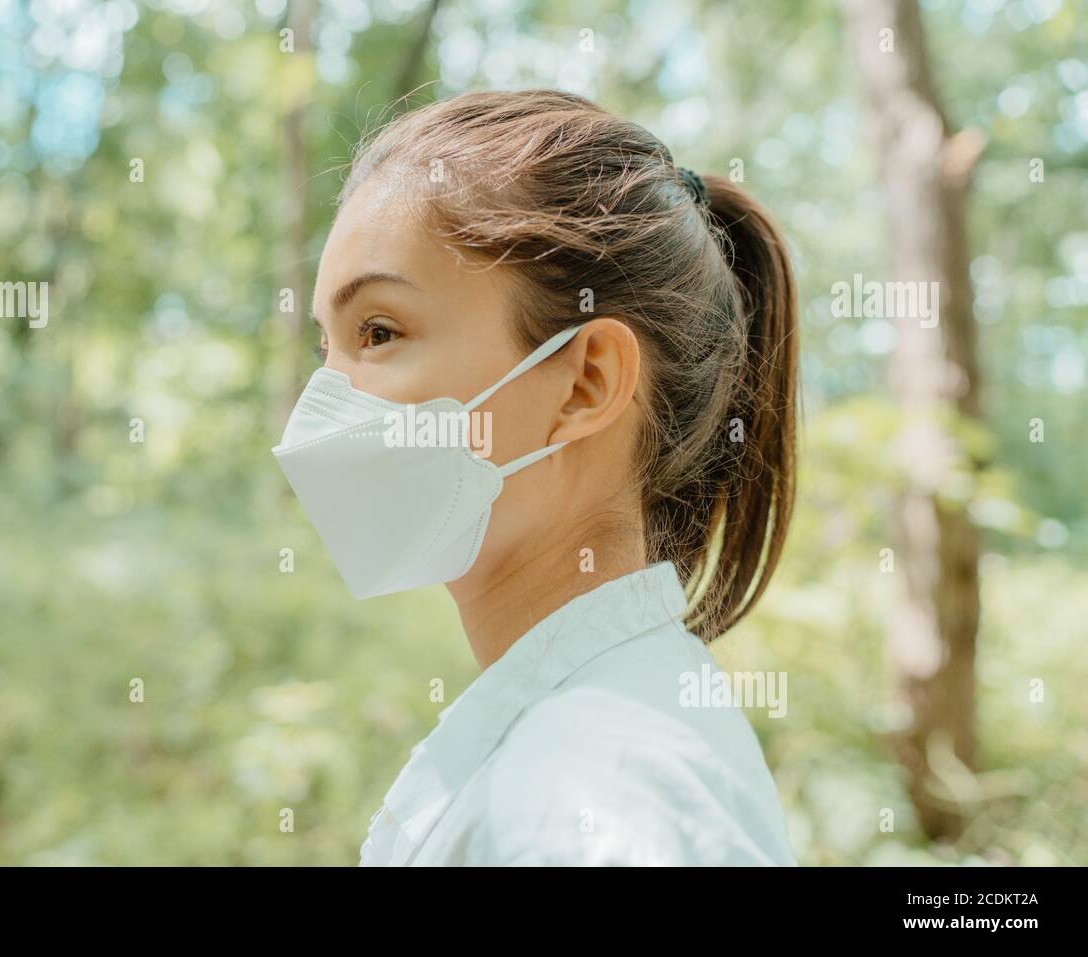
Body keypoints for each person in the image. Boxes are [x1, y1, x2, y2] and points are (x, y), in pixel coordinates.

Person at [273, 89, 799, 866]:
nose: (320, 405)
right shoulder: (579, 729)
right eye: (329, 347)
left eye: (378, 331)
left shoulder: (593, 794)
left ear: (585, 383)